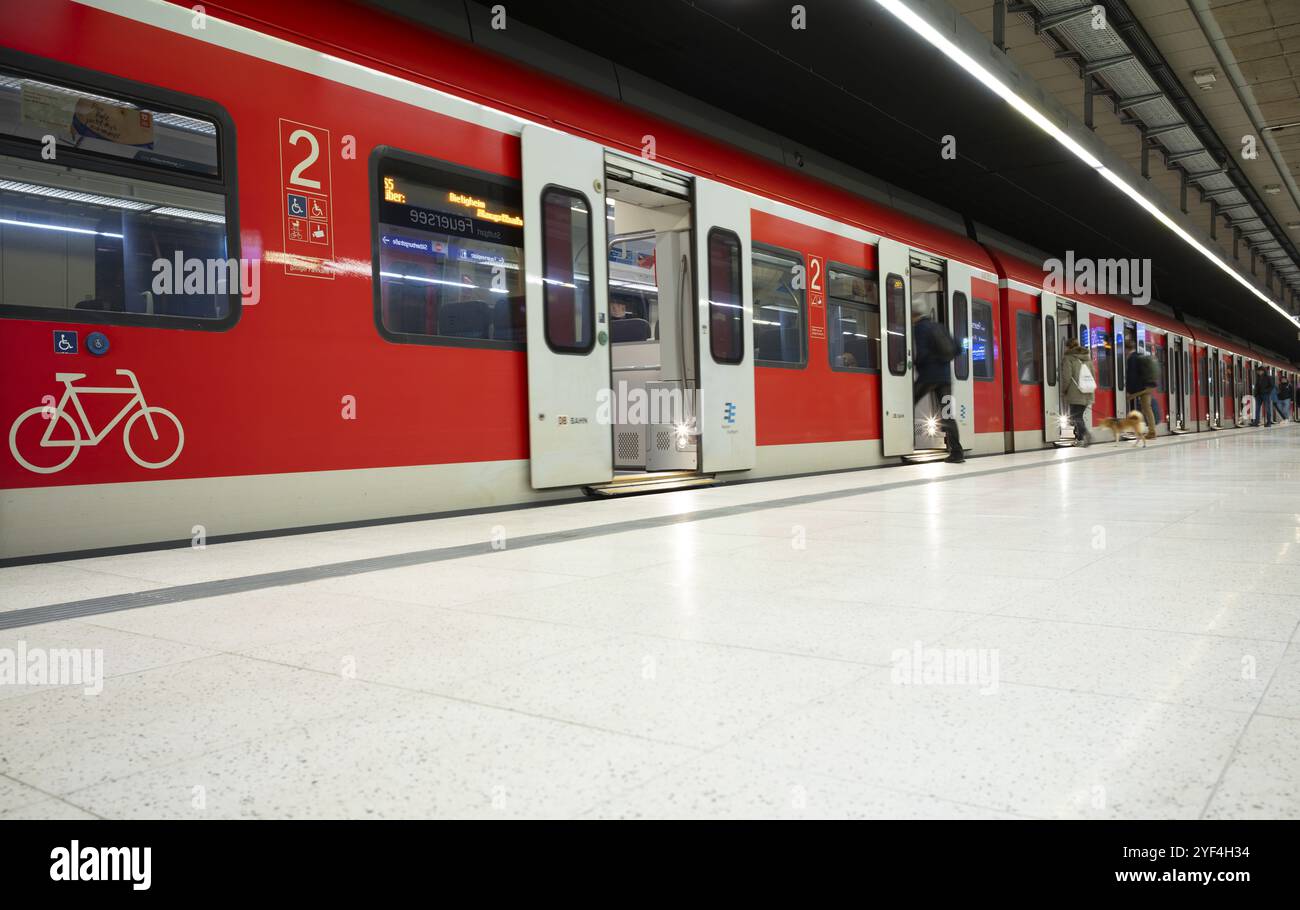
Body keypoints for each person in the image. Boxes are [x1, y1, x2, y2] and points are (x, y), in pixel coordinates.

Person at [912, 309, 964, 463]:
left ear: (915, 315)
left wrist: (914, 364)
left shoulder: (920, 328)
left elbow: (922, 354)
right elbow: (958, 347)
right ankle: (957, 452)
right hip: (946, 378)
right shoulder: (940, 327)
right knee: (947, 414)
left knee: (907, 404)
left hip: (928, 376)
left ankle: (899, 443)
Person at [1060, 337, 1095, 446]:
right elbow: (1093, 375)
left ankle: (1085, 435)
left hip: (1075, 392)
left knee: (1076, 416)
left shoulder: (1068, 358)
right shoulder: (1087, 358)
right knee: (1078, 415)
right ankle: (1080, 438)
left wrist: (1063, 390)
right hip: (1087, 391)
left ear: (1067, 347)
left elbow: (1066, 377)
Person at [1125, 347, 1159, 440]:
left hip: (1142, 388)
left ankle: (1150, 431)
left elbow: (1132, 376)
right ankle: (1151, 431)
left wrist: (1130, 391)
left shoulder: (1132, 358)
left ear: (1126, 350)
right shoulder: (1140, 356)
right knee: (1147, 408)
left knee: (1145, 408)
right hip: (1148, 385)